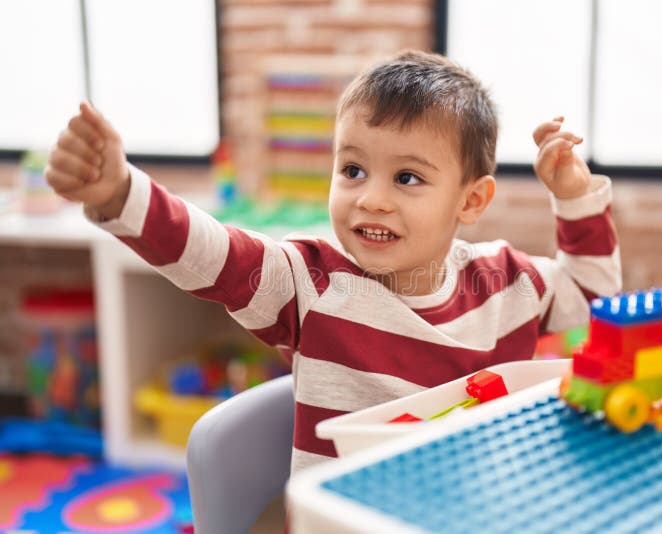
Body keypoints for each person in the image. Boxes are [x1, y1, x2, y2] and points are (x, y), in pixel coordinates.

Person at [45, 50, 621, 473]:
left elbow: (594, 296)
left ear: (470, 201)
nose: (370, 197)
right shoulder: (310, 282)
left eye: (407, 177)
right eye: (352, 170)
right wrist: (121, 194)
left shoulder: (506, 283)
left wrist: (572, 194)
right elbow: (214, 255)